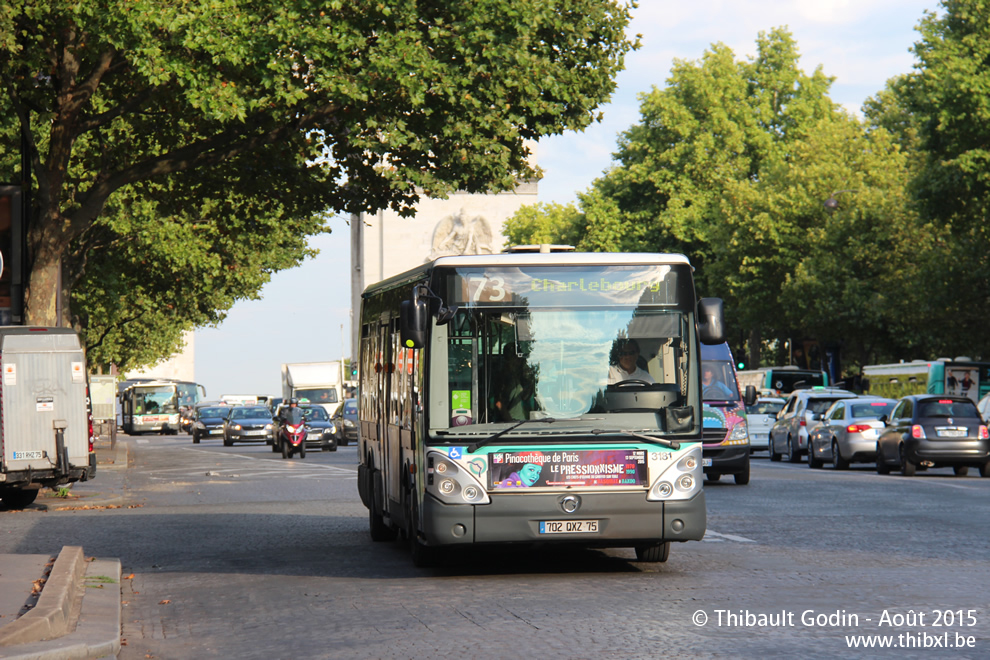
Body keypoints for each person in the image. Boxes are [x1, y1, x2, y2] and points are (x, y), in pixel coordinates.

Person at [492, 344, 538, 421]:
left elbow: (525, 397)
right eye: (515, 358)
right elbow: (499, 403)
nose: (519, 361)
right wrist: (509, 421)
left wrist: (531, 380)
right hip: (511, 422)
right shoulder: (504, 378)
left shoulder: (518, 377)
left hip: (525, 421)